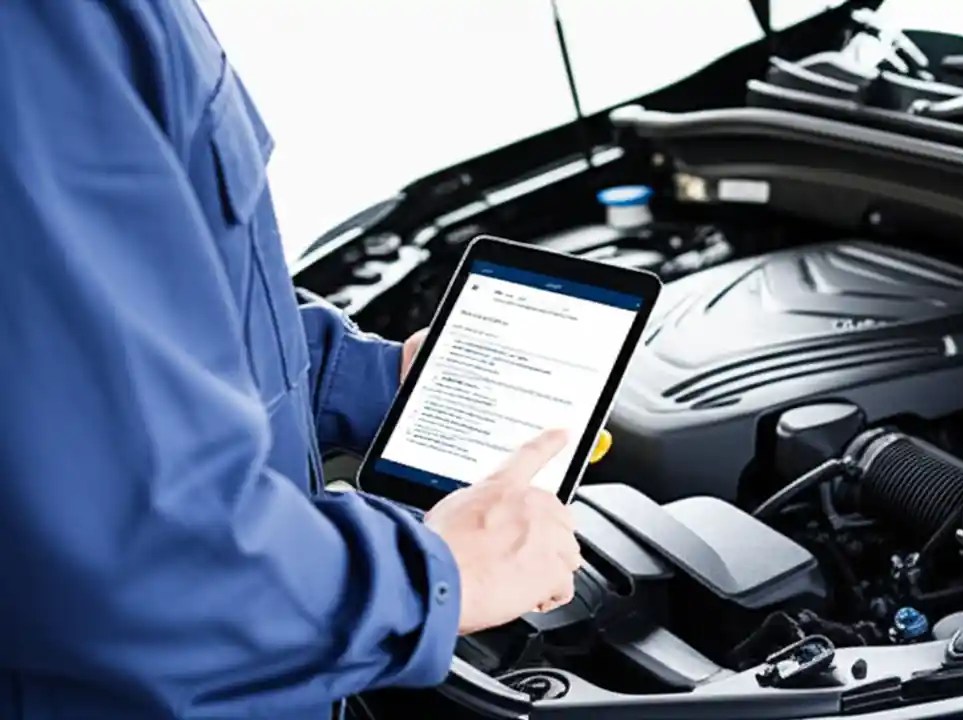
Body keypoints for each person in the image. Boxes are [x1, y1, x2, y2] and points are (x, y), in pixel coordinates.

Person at [0, 3, 587, 718]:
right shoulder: (41, 36)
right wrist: (440, 576)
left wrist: (370, 380)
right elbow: (139, 556)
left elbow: (156, 311)